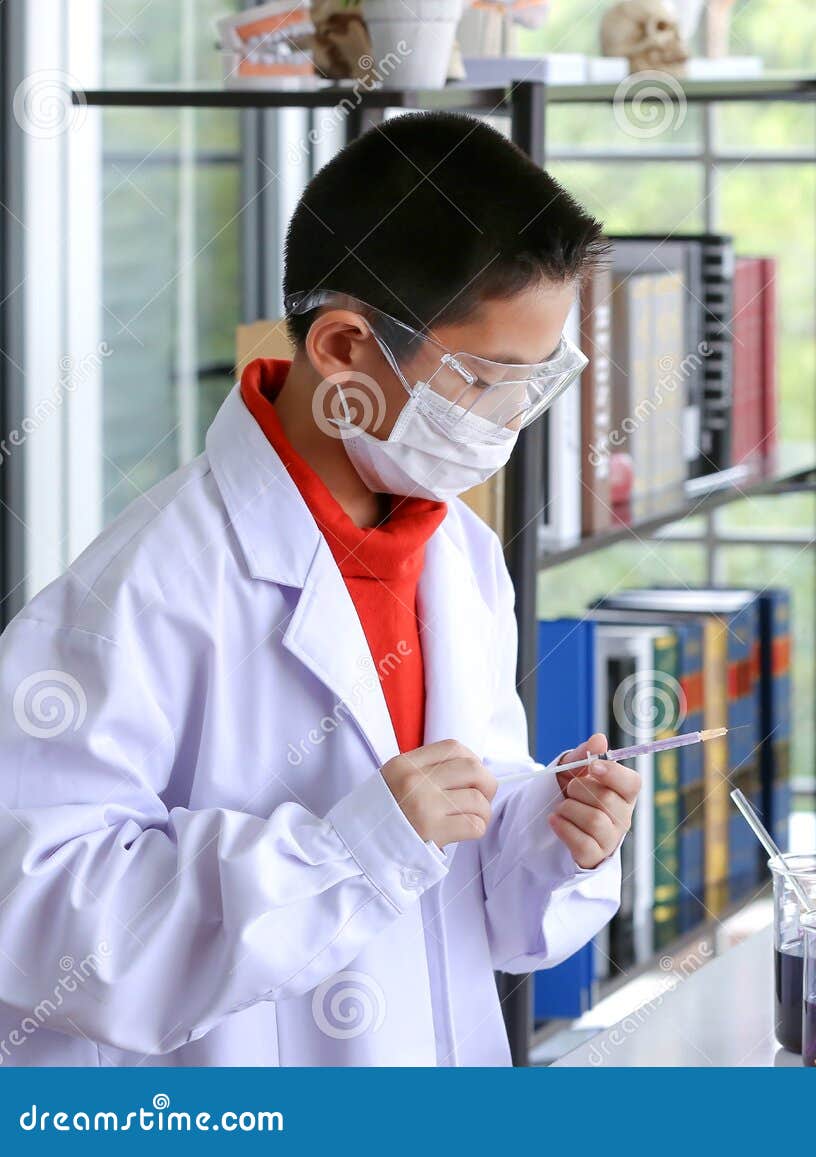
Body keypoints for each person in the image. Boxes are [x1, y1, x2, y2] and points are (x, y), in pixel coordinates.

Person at [0, 111, 638, 1065]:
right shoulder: (139, 591)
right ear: (342, 348)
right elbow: (37, 916)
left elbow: (461, 884)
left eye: (534, 384)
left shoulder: (460, 555)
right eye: (485, 380)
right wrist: (347, 854)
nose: (510, 420)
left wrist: (547, 837)